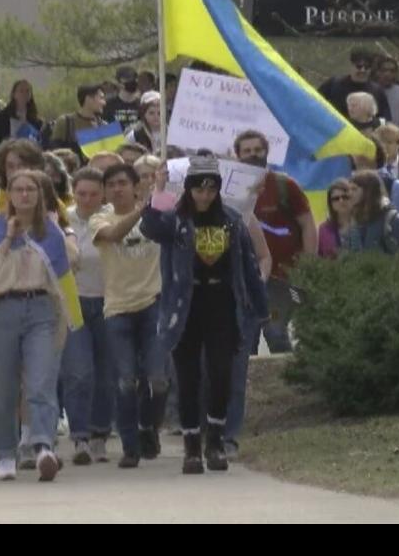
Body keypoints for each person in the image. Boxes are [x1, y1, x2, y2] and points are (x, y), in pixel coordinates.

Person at [138, 156, 268, 474]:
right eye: (199, 189)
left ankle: (216, 440)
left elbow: (249, 266)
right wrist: (157, 190)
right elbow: (150, 227)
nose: (204, 196)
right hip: (185, 306)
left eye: (211, 189)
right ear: (189, 189)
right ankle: (192, 445)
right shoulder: (176, 221)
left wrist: (260, 307)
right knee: (188, 378)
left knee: (221, 373)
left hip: (221, 303)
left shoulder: (232, 220)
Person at [0, 170, 81, 482]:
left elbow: (68, 266)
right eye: (17, 190)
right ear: (9, 195)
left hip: (41, 308)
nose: (24, 195)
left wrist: (65, 233)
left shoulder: (51, 231)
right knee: (4, 385)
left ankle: (43, 446)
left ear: (40, 195)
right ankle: (5, 452)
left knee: (41, 380)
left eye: (30, 190)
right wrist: (9, 238)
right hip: (3, 308)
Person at [90, 164, 166, 468]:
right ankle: (130, 445)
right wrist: (143, 210)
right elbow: (114, 234)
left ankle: (149, 427)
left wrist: (158, 195)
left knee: (158, 380)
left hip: (153, 303)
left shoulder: (156, 213)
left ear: (136, 186)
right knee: (125, 382)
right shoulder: (100, 217)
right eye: (111, 184)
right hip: (118, 309)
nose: (117, 188)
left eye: (123, 182)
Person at [237, 131, 315, 354]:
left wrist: (308, 265)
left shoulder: (285, 185)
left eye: (258, 150)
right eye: (247, 151)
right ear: (238, 155)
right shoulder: (229, 189)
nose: (253, 154)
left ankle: (289, 385)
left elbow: (308, 225)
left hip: (282, 277)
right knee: (246, 340)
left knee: (275, 331)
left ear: (266, 153)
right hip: (244, 279)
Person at [60, 168, 111, 464]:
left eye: (94, 194)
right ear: (74, 192)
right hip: (74, 302)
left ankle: (100, 433)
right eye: (82, 194)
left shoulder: (113, 217)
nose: (88, 199)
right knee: (78, 372)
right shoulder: (63, 218)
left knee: (106, 373)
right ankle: (79, 435)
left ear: (103, 193)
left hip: (109, 302)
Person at [343, 171, 399, 254]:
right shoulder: (354, 221)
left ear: (368, 191)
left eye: (354, 189)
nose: (350, 194)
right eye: (349, 190)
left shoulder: (391, 220)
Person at [317, 47, 392, 122]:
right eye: (359, 66)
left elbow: (385, 120)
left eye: (367, 67)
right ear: (351, 65)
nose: (363, 70)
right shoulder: (334, 84)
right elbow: (315, 103)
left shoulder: (377, 91)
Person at [0, 79, 44, 164]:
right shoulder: (1, 119)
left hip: (30, 161)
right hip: (6, 160)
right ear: (14, 94)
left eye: (27, 91)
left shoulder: (37, 121)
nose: (24, 94)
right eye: (21, 91)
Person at [50, 84, 108, 158]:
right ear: (88, 99)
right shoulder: (65, 122)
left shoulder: (104, 126)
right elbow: (55, 154)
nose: (104, 103)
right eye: (101, 98)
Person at [318, 179, 355, 259]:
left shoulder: (362, 225)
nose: (341, 201)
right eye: (336, 198)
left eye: (345, 197)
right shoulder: (323, 229)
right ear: (330, 203)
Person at [372, 55, 399, 128]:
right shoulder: (371, 90)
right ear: (377, 72)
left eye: (392, 71)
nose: (388, 74)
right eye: (384, 70)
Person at [103, 66, 143, 131]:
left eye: (134, 78)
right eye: (127, 78)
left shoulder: (142, 105)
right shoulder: (107, 105)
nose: (132, 81)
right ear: (118, 82)